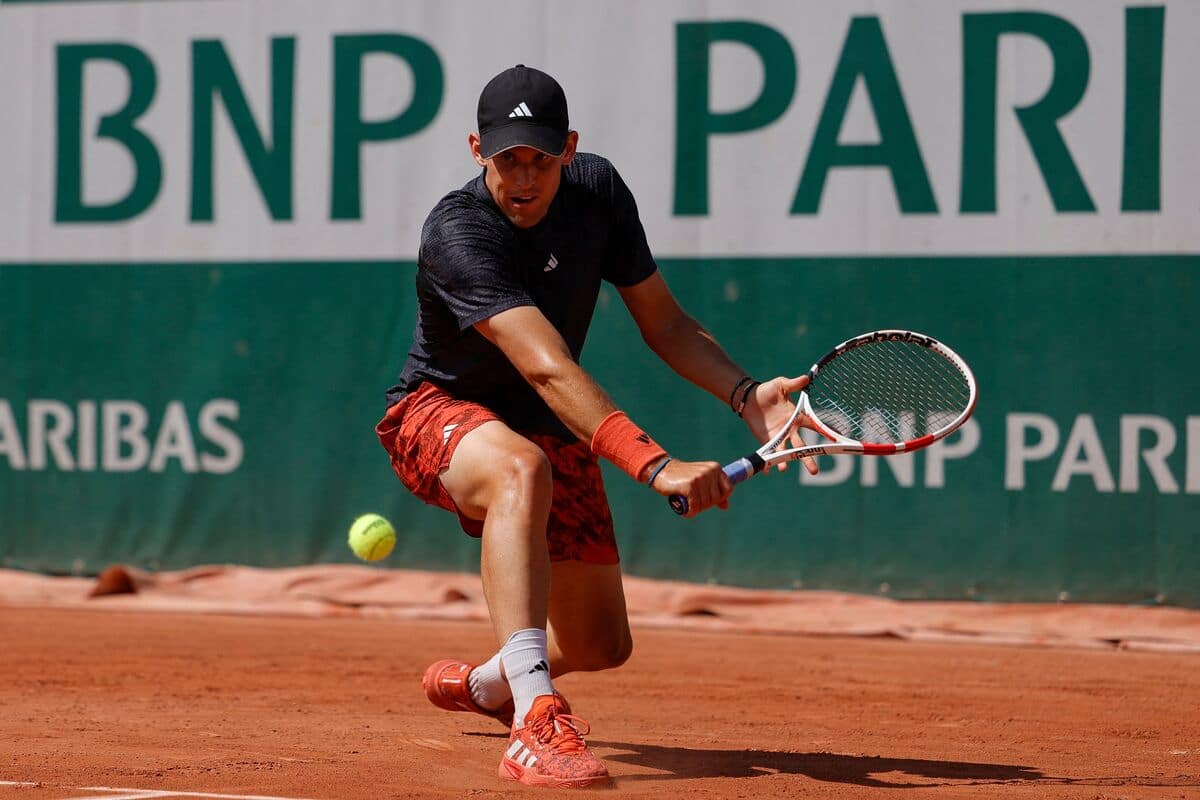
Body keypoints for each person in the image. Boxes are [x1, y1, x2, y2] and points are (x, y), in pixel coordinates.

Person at [375, 64, 816, 789]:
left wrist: (746, 395)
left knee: (601, 642)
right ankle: (534, 722)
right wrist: (654, 464)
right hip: (434, 414)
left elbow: (665, 323)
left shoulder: (599, 194)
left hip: (546, 425)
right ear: (476, 150)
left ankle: (490, 685)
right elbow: (545, 365)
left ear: (569, 150)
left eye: (541, 161)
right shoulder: (458, 232)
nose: (523, 179)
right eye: (506, 159)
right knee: (522, 469)